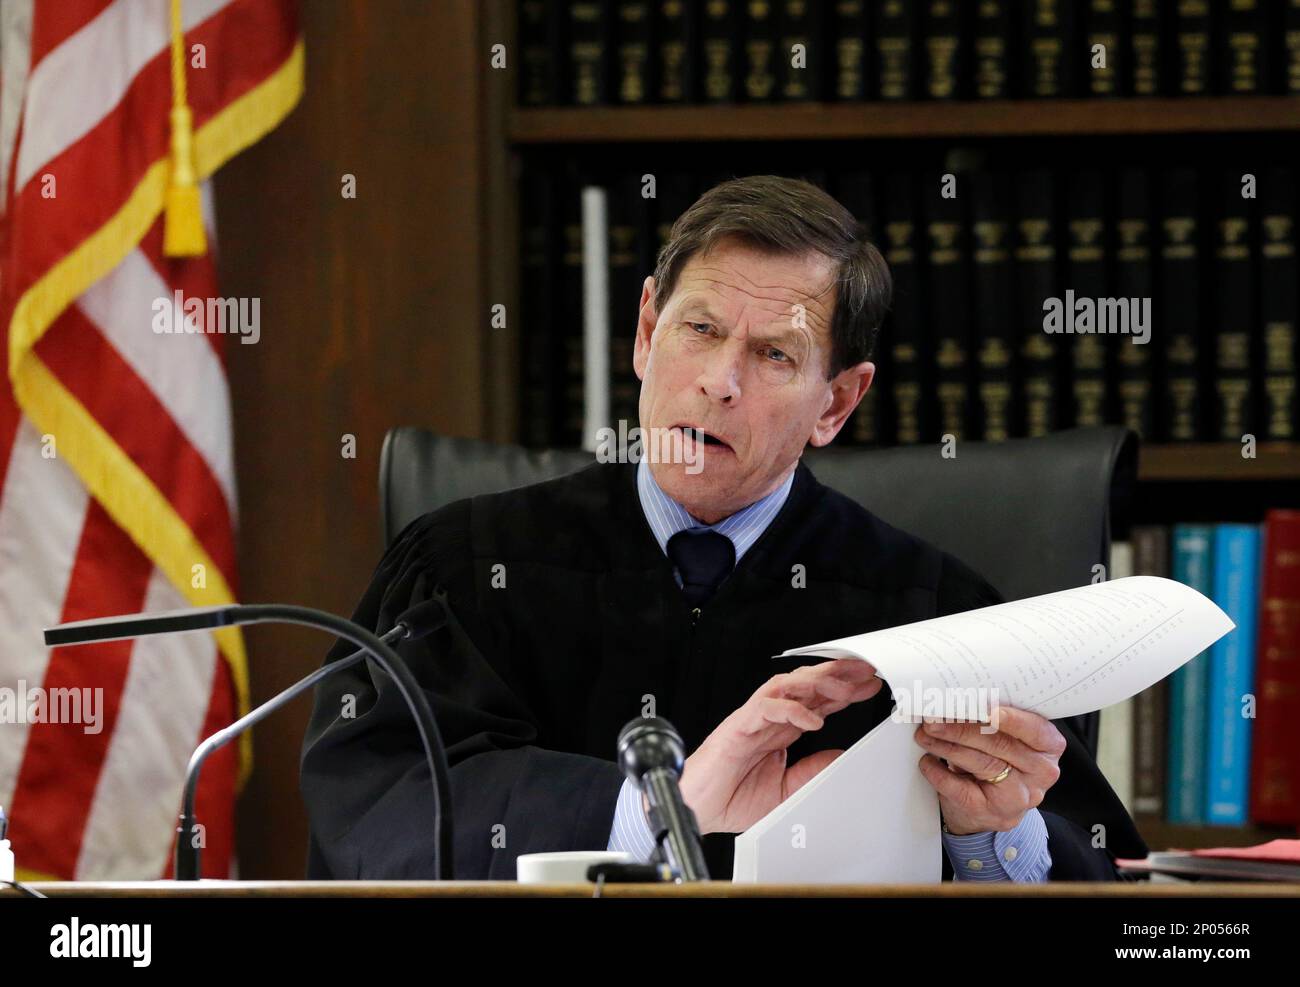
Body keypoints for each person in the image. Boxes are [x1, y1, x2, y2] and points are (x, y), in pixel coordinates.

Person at [300, 175, 1145, 881]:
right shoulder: (466, 566)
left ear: (838, 401)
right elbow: (378, 811)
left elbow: (1109, 890)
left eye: (774, 354)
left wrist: (988, 836)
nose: (718, 382)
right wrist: (655, 808)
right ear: (644, 332)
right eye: (699, 329)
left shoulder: (931, 613)